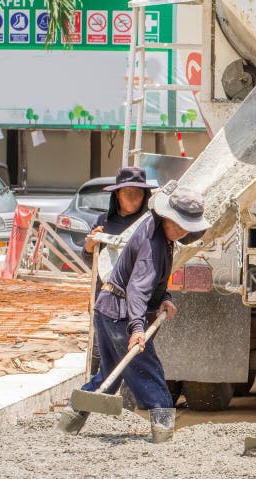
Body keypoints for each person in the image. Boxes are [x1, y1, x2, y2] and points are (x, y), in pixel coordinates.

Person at [57, 182, 210, 443]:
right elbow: (138, 290)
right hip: (119, 313)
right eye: (180, 224)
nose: (184, 230)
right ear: (167, 217)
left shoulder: (161, 234)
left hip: (108, 308)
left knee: (109, 375)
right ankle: (163, 435)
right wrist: (138, 329)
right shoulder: (153, 245)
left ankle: (69, 420)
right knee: (151, 373)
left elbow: (154, 283)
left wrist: (164, 298)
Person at [81, 167, 156, 402]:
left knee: (134, 355)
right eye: (127, 192)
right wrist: (90, 245)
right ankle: (94, 402)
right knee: (106, 358)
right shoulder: (103, 222)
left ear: (145, 196)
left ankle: (117, 401)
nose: (132, 197)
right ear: (117, 195)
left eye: (137, 192)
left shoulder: (150, 223)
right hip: (107, 300)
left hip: (137, 301)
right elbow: (89, 260)